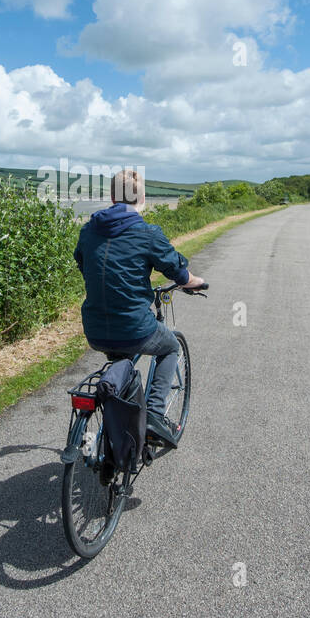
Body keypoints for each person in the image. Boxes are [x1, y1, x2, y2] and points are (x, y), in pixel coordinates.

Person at [73, 169, 205, 447]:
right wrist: (196, 282)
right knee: (170, 346)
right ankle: (155, 416)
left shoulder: (88, 231)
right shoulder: (147, 233)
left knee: (122, 357)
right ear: (142, 198)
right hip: (134, 328)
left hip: (94, 329)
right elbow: (179, 274)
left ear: (111, 197)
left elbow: (84, 265)